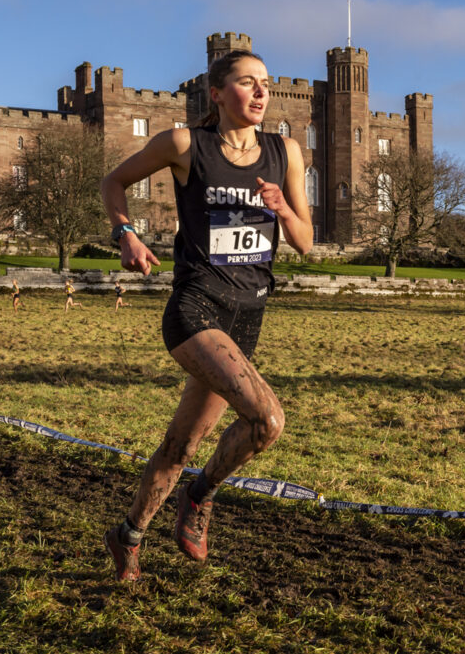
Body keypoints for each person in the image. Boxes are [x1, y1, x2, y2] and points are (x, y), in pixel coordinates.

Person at [100, 49, 312, 580]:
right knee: (267, 420)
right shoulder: (183, 145)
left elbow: (306, 242)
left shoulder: (285, 152)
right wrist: (126, 233)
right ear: (217, 93)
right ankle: (200, 497)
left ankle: (127, 534)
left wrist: (281, 208)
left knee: (181, 443)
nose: (261, 93)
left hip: (248, 315)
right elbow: (114, 182)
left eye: (265, 84)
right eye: (247, 83)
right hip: (195, 308)